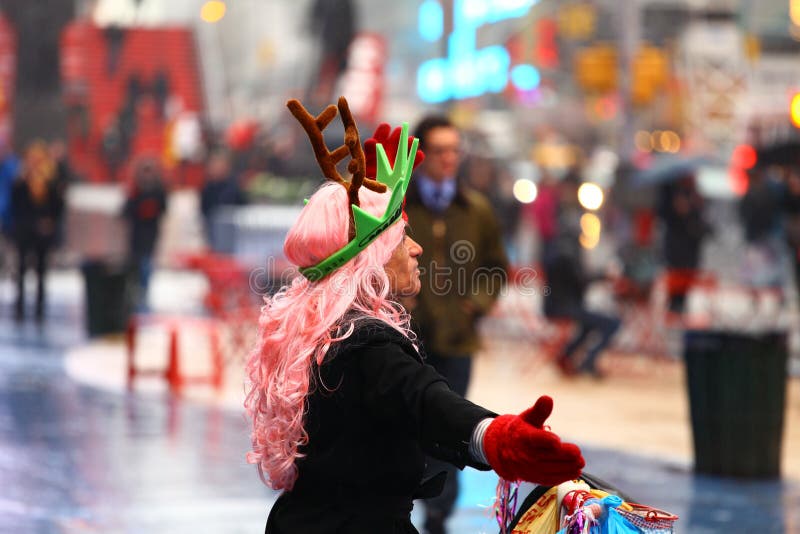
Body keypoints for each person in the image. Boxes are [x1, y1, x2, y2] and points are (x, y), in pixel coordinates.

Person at [245, 97, 584, 534]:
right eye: (402, 238)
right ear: (372, 260)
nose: (416, 248)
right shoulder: (368, 344)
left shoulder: (323, 329)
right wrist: (495, 436)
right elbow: (427, 402)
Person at [402, 115, 509, 534]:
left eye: (454, 150)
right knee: (404, 424)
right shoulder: (398, 206)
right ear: (420, 155)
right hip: (407, 339)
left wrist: (476, 304)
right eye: (439, 150)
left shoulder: (476, 209)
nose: (449, 158)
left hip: (459, 339)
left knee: (448, 426)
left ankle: (438, 514)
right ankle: (401, 504)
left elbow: (496, 267)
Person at [542, 173, 620, 378]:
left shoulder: (557, 246)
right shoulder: (566, 250)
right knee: (611, 323)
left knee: (590, 323)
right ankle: (588, 362)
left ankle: (566, 356)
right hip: (564, 305)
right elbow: (578, 278)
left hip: (560, 303)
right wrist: (602, 276)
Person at [9, 140, 64, 321]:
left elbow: (58, 205)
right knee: (21, 270)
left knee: (41, 271)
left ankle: (40, 310)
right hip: (24, 230)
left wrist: (49, 221)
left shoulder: (50, 180)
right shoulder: (20, 180)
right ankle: (19, 308)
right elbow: (16, 205)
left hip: (43, 233)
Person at [656, 173, 710, 313]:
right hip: (675, 250)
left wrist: (697, 206)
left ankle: (680, 308)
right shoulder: (670, 191)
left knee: (686, 286)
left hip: (691, 250)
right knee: (675, 285)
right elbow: (663, 215)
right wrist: (677, 209)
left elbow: (702, 224)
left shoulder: (694, 194)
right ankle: (674, 308)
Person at [123, 157, 167, 312]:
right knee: (136, 268)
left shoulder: (158, 190)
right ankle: (135, 296)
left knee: (146, 267)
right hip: (136, 235)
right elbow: (126, 211)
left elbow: (163, 208)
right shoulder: (135, 190)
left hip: (150, 234)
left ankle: (143, 296)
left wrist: (150, 210)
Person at [200, 150, 246, 252]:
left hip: (231, 231)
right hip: (212, 229)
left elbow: (241, 206)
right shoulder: (208, 186)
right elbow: (204, 207)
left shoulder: (233, 186)